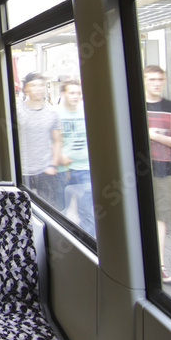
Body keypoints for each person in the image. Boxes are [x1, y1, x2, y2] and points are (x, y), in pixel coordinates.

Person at [144, 65, 171, 285]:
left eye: (159, 79)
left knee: (161, 217)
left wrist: (155, 137)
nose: (156, 83)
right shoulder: (135, 105)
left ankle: (158, 265)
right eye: (151, 79)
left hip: (164, 169)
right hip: (137, 170)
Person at [17, 72, 63, 209]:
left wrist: (52, 165)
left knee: (49, 209)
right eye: (34, 85)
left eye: (41, 86)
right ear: (26, 89)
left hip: (45, 170)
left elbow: (57, 140)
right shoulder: (17, 111)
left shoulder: (52, 113)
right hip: (22, 171)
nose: (38, 89)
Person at [58, 80, 94, 235]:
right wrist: (59, 156)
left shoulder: (88, 112)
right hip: (63, 169)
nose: (75, 96)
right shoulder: (56, 113)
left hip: (85, 168)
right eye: (71, 92)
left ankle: (89, 244)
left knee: (86, 210)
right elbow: (50, 139)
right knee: (60, 209)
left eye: (78, 93)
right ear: (63, 94)